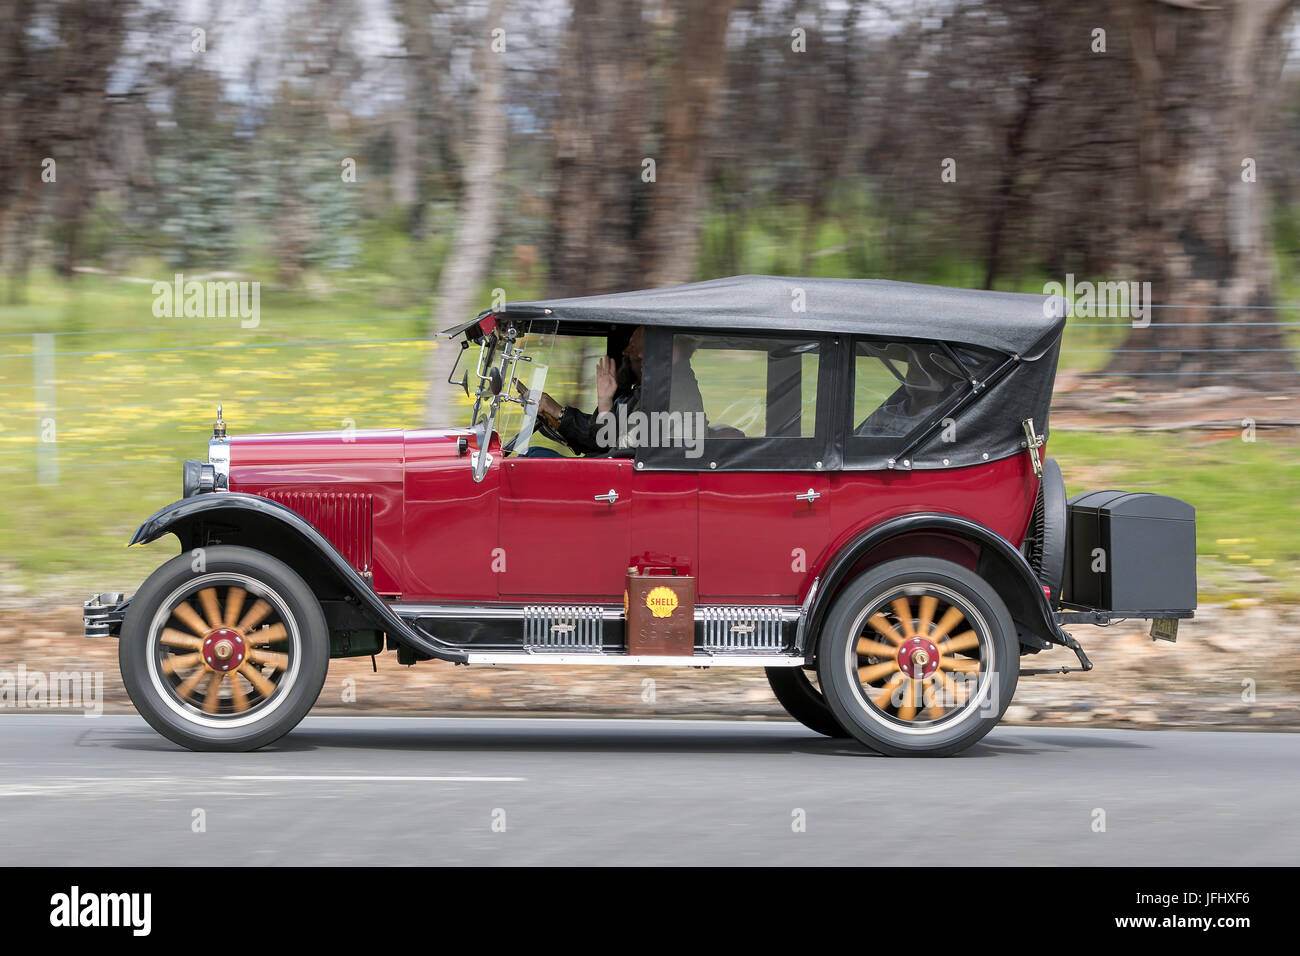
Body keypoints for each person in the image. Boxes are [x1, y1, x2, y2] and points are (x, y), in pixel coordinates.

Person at [518, 326, 704, 456]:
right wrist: (605, 401)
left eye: (632, 346)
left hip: (636, 483)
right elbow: (605, 441)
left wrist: (557, 412)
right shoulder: (649, 390)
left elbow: (619, 453)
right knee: (533, 453)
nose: (625, 352)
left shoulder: (668, 391)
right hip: (626, 476)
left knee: (530, 458)